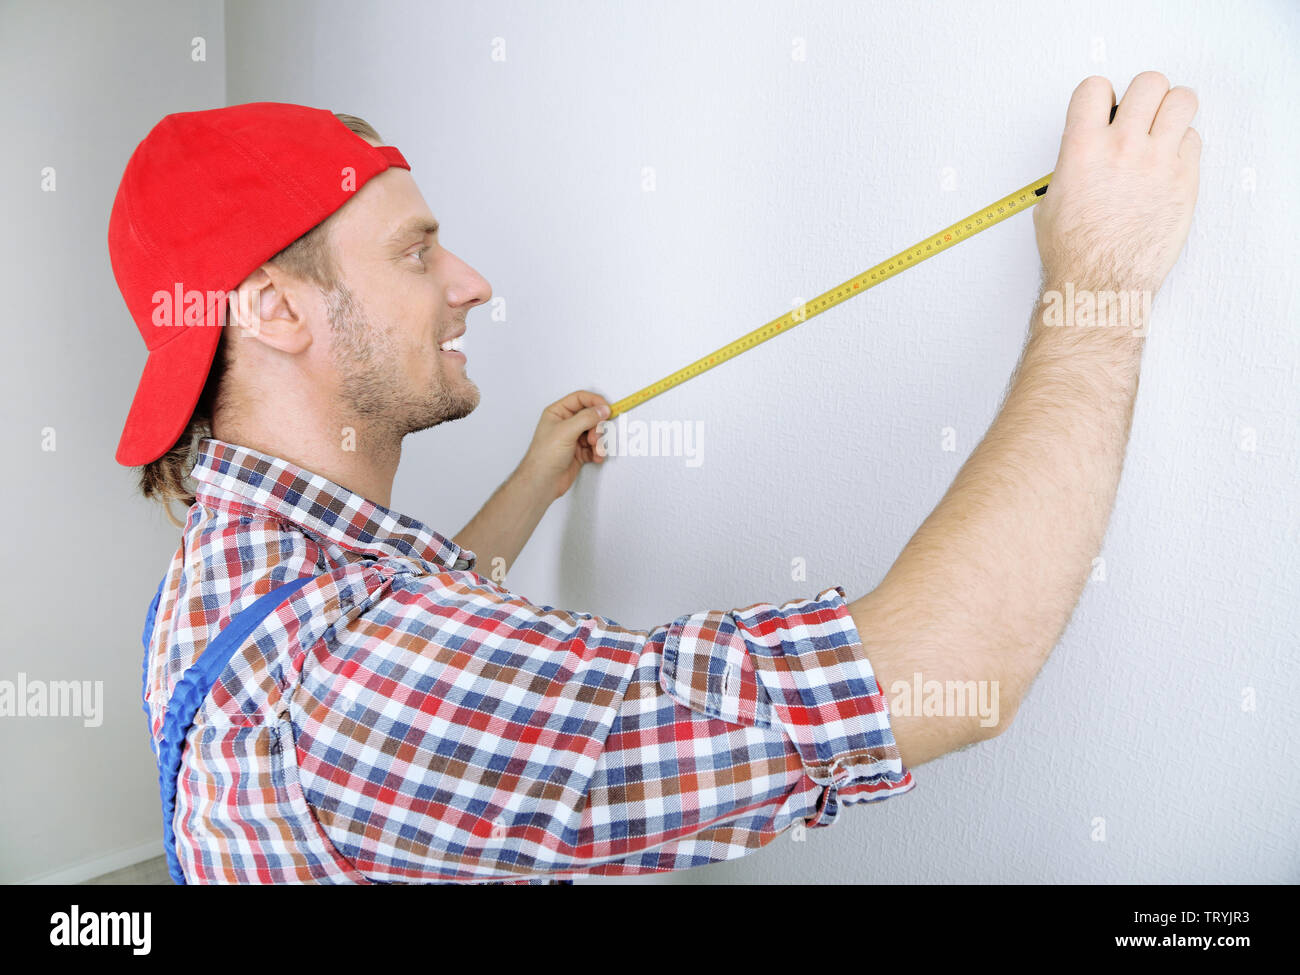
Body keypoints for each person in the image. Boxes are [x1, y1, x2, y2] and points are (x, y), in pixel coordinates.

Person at [114, 73, 1199, 884]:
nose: (472, 284)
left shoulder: (234, 568)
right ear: (272, 310)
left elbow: (419, 599)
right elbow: (948, 674)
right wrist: (1099, 285)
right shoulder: (350, 678)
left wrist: (536, 480)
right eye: (414, 252)